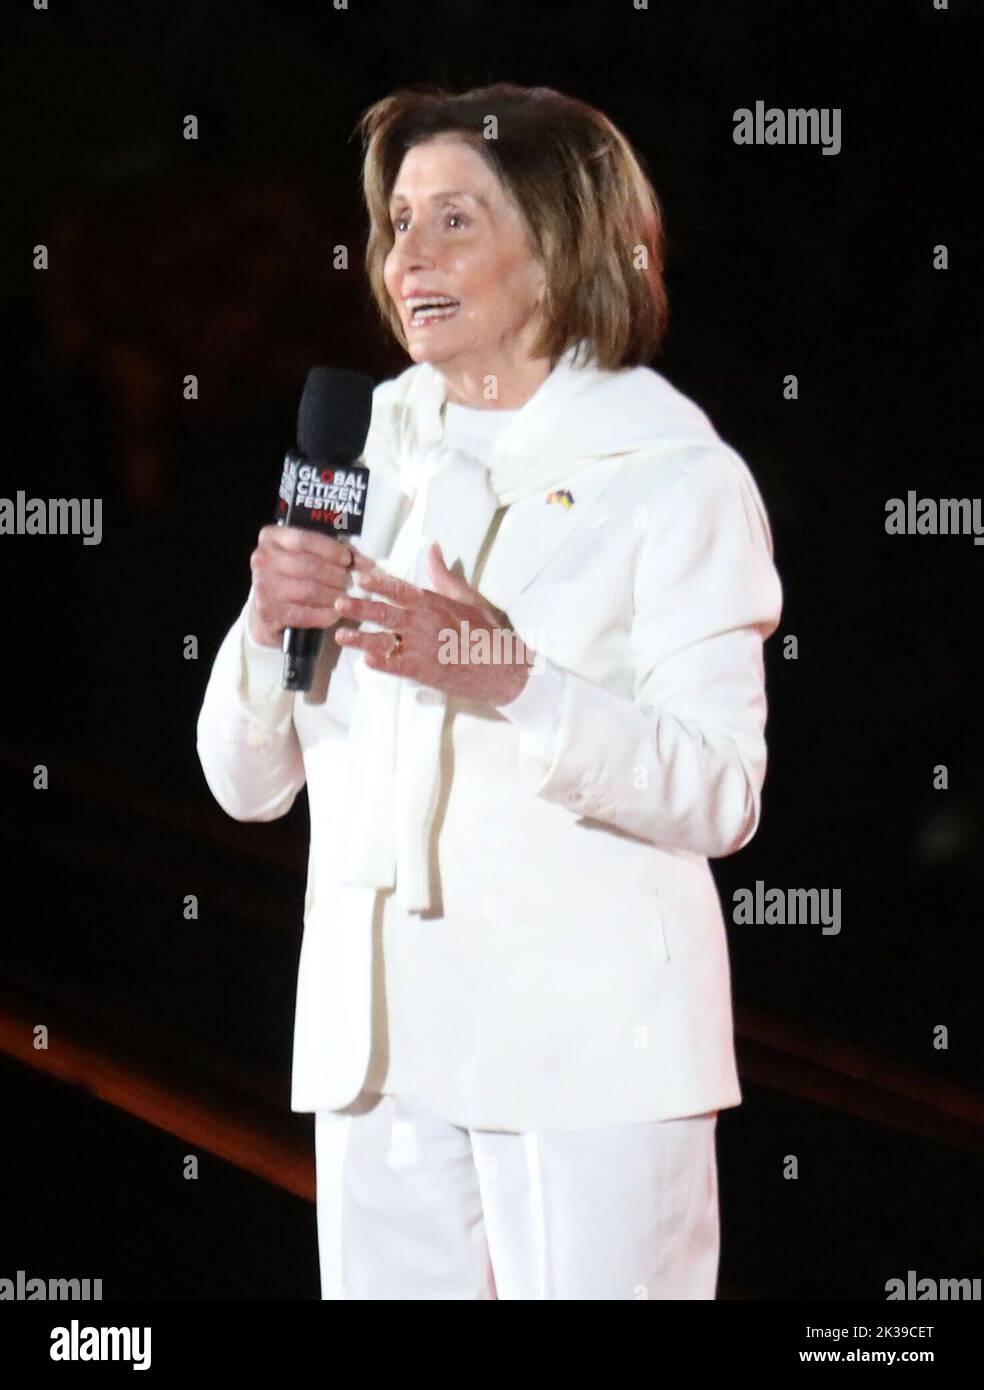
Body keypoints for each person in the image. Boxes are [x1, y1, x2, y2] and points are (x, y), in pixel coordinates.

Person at [196, 82, 783, 1300]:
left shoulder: (673, 477)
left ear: (562, 242)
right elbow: (246, 785)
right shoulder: (359, 449)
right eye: (398, 221)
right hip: (379, 1057)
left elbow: (721, 792)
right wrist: (267, 624)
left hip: (590, 1062)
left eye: (454, 219)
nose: (407, 255)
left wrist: (511, 677)